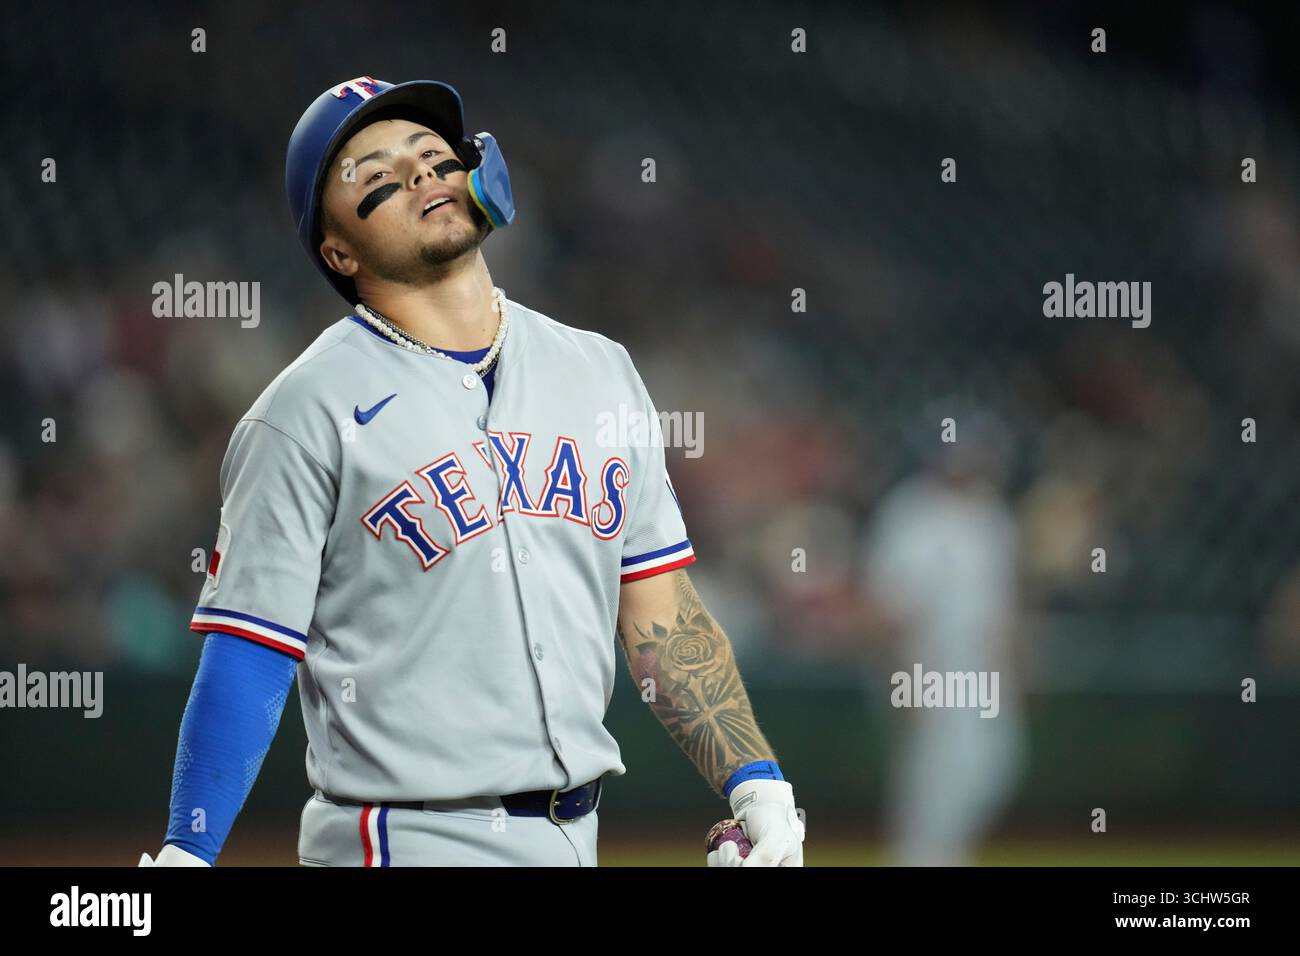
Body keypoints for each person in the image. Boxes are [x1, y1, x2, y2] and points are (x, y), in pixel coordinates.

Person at [137, 76, 804, 867]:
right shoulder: (303, 413)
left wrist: (754, 780)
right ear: (337, 249)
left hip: (574, 837)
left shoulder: (600, 371)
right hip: (401, 841)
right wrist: (187, 850)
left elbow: (660, 615)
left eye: (433, 155)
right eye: (377, 177)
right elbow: (249, 651)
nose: (421, 175)